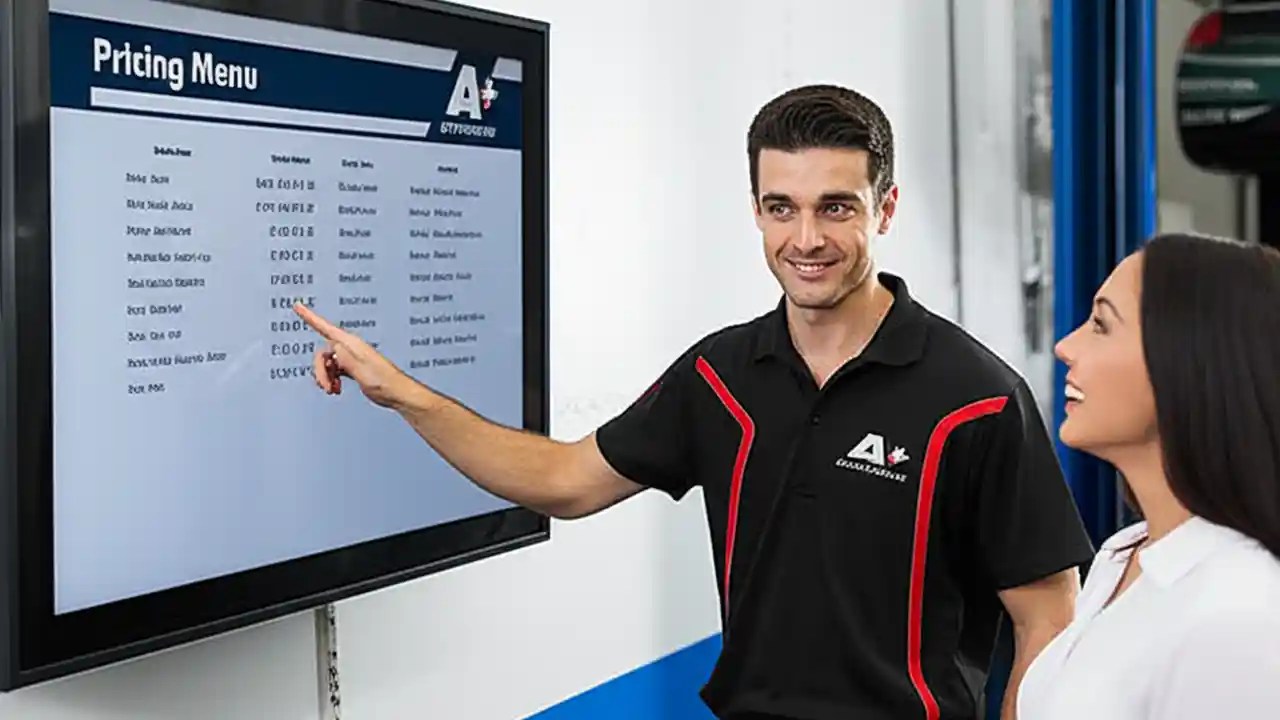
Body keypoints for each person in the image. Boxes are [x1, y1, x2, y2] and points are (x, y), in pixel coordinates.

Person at [294, 84, 1095, 720]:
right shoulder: (720, 375)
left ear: (885, 209)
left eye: (836, 207)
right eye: (781, 207)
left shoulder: (976, 397)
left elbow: (1048, 622)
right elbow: (565, 480)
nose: (805, 239)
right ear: (756, 211)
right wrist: (402, 394)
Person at [1015, 232, 1280, 719]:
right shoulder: (1125, 555)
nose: (1064, 347)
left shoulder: (1240, 608)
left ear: (1186, 362)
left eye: (1100, 325)